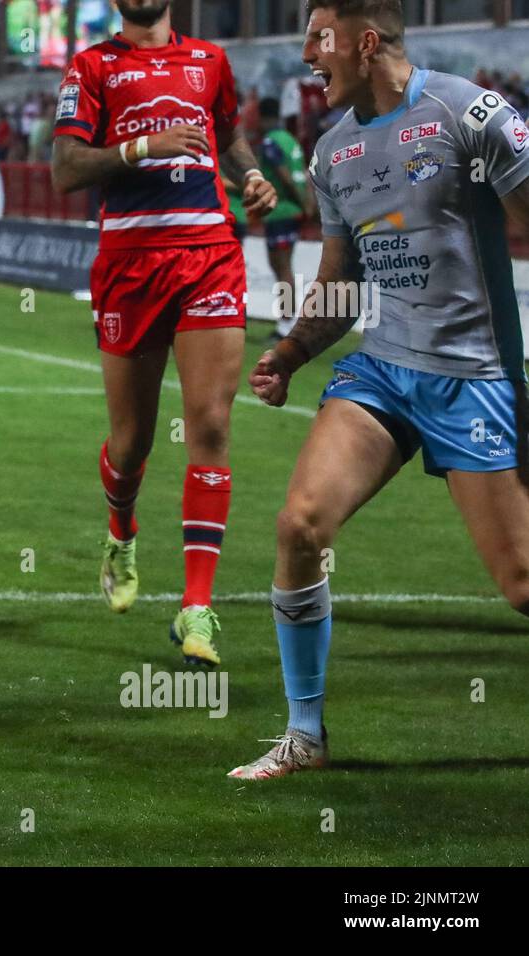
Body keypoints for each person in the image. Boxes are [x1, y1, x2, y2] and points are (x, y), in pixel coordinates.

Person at [229, 0, 529, 779]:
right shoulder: (332, 153)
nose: (305, 57)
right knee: (299, 526)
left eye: (317, 40)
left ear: (364, 42)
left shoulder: (470, 113)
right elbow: (340, 280)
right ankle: (306, 735)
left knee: (522, 584)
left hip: (476, 379)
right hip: (384, 370)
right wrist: (292, 351)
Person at [51, 0, 278, 666]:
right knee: (133, 441)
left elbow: (228, 137)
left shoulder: (211, 60)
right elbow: (66, 170)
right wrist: (141, 147)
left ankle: (196, 610)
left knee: (209, 424)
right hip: (129, 262)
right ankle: (121, 528)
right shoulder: (92, 67)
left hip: (209, 253)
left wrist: (254, 176)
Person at [257, 95, 316, 341]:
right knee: (283, 267)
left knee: (281, 267)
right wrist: (308, 202)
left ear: (261, 118)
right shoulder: (289, 139)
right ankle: (287, 321)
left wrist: (302, 202)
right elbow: (303, 171)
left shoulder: (270, 142)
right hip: (291, 210)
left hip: (281, 210)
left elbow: (284, 175)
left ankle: (286, 325)